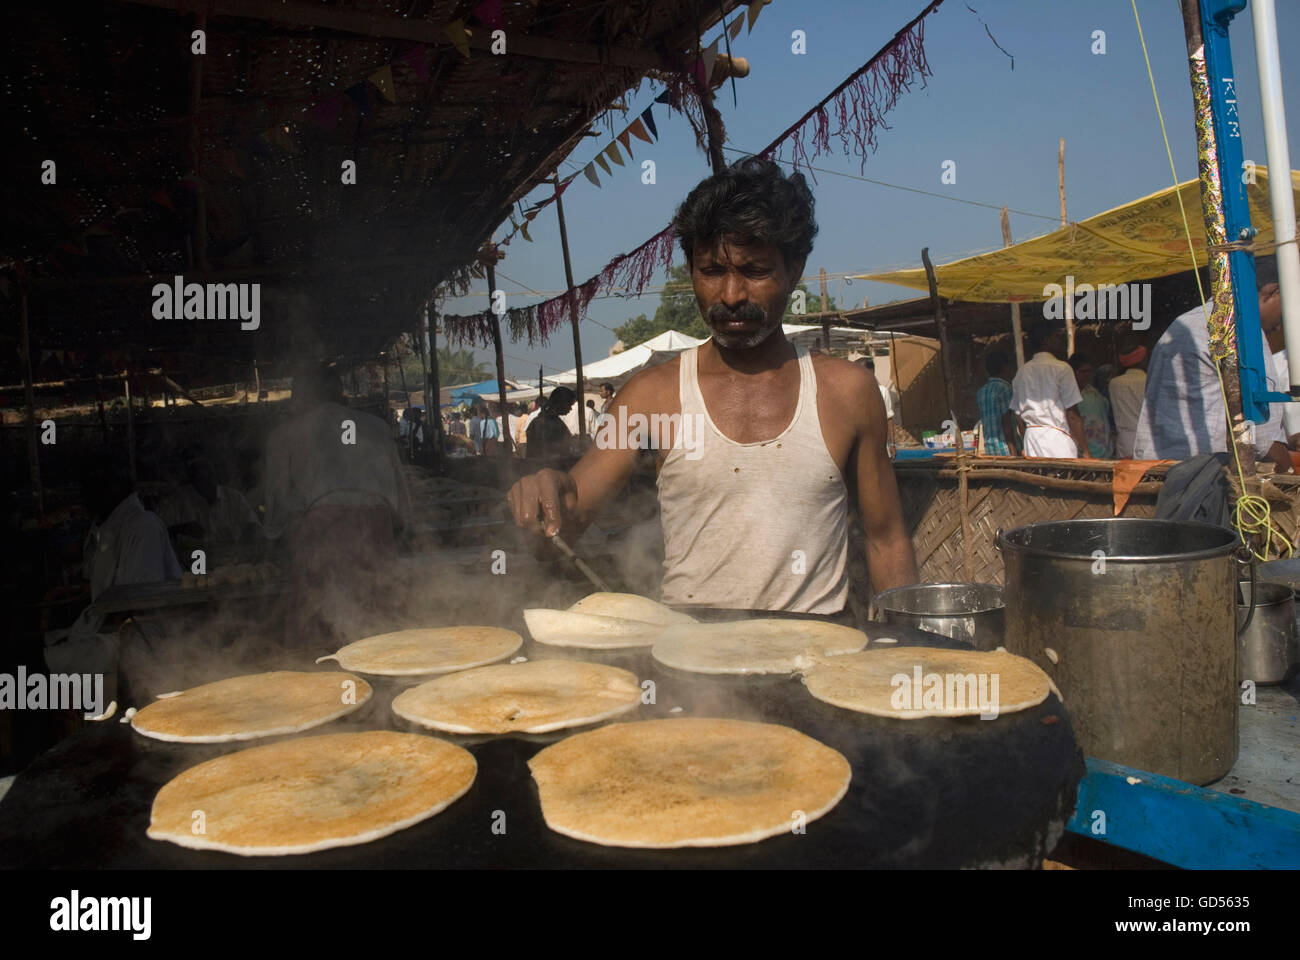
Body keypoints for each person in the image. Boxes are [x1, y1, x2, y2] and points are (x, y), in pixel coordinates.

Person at [508, 156, 917, 615]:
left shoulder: (848, 393)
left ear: (795, 268)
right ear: (690, 269)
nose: (731, 295)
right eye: (712, 271)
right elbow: (567, 515)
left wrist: (907, 646)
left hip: (818, 663)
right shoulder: (647, 399)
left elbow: (888, 540)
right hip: (690, 675)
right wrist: (544, 495)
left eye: (755, 271)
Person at [262, 363, 410, 647]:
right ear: (340, 393)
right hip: (377, 530)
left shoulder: (285, 434)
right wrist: (403, 529)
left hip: (321, 533)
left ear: (301, 396)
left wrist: (271, 539)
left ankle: (323, 679)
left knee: (321, 622)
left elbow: (278, 502)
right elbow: (401, 497)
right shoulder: (376, 426)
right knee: (377, 618)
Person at [43, 460, 182, 697]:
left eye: (93, 487)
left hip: (139, 639)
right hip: (106, 630)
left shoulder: (142, 526)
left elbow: (135, 605)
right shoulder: (108, 526)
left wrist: (82, 639)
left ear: (115, 488)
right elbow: (99, 585)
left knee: (32, 664)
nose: (85, 495)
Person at [1132, 266, 1292, 472]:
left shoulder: (1185, 322)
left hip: (1154, 467)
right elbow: (1261, 435)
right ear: (1274, 291)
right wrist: (1291, 474)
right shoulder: (1242, 329)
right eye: (1283, 314)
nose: (1279, 326)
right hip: (1201, 476)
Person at [1010, 320, 1090, 458]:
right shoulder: (1062, 368)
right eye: (1056, 337)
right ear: (1045, 340)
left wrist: (1029, 438)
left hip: (1031, 441)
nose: (1059, 341)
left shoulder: (1022, 372)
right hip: (1057, 440)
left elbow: (1018, 417)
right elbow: (1072, 414)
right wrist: (1085, 451)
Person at [157, 455, 261, 543]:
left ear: (215, 474)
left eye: (207, 476)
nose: (204, 482)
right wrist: (180, 529)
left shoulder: (235, 498)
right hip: (191, 560)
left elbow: (254, 526)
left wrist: (243, 542)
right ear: (191, 478)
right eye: (199, 478)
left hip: (233, 560)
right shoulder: (178, 499)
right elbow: (157, 532)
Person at [1108, 337, 1148, 459]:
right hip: (1146, 440)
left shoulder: (1114, 383)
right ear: (1141, 361)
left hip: (1125, 441)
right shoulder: (1148, 381)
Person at [1069, 352, 1114, 458]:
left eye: (1090, 371)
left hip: (1102, 450)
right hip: (1080, 452)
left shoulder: (1094, 395)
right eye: (1083, 372)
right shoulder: (1070, 395)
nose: (1087, 375)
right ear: (1073, 372)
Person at [976, 350, 1019, 456]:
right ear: (1005, 367)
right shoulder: (1005, 388)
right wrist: (1012, 449)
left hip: (990, 448)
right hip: (1005, 448)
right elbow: (1006, 419)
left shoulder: (981, 392)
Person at [856, 357, 895, 459]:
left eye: (860, 370)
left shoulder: (882, 391)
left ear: (871, 371)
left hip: (879, 446)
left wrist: (892, 444)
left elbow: (889, 419)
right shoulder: (852, 393)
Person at [525, 386, 576, 462]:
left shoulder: (551, 420)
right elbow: (545, 450)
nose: (570, 408)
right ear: (561, 403)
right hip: (545, 467)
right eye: (569, 405)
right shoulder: (546, 422)